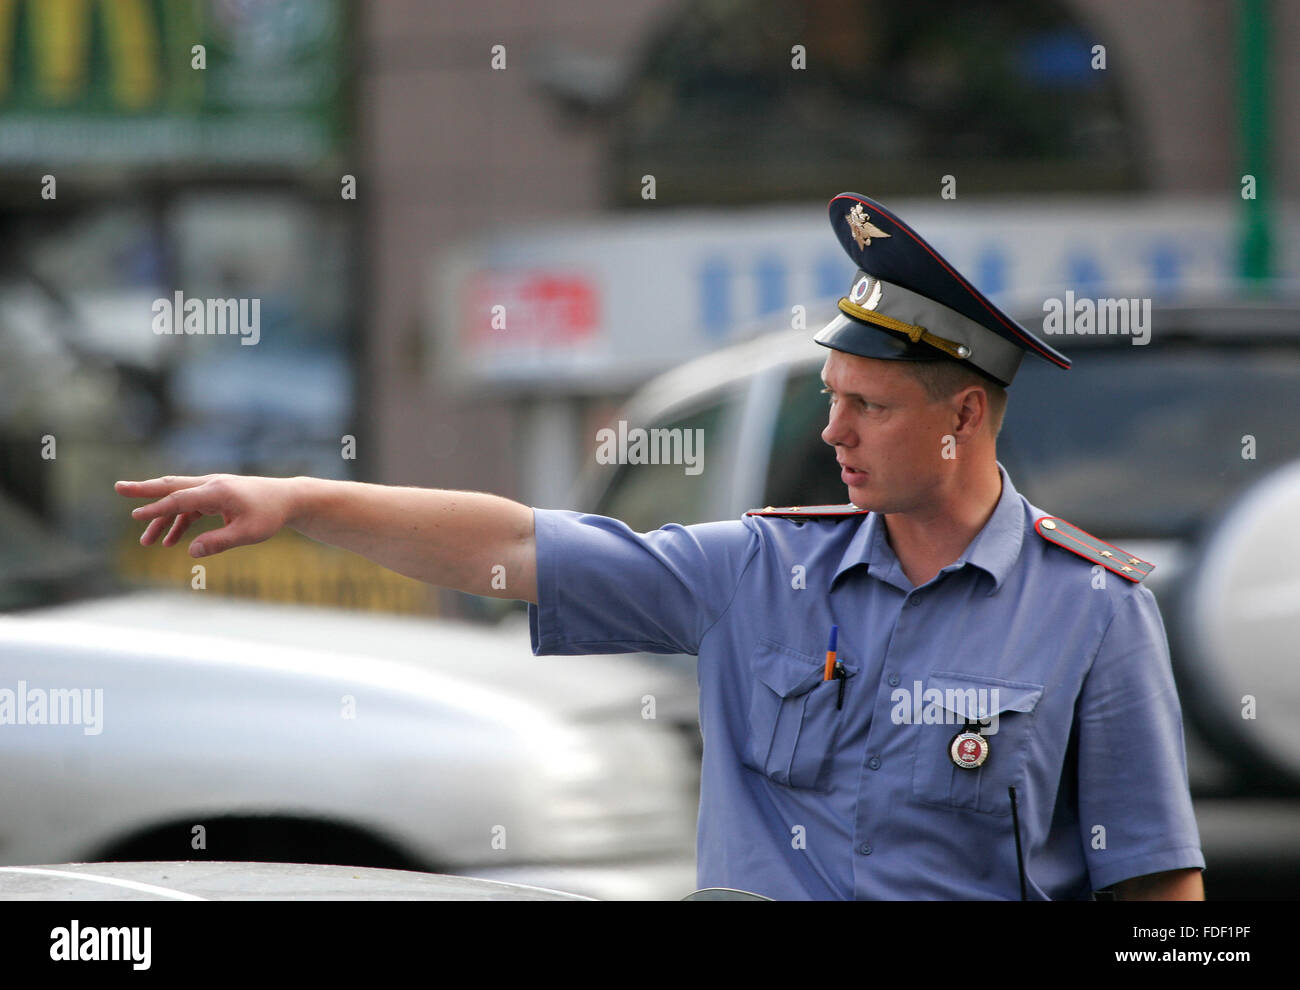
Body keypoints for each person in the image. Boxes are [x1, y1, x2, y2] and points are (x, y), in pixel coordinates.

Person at [117, 193, 1205, 900]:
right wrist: (303, 498)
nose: (830, 433)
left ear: (963, 415)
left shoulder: (1091, 612)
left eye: (865, 405)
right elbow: (513, 543)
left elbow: (1155, 887)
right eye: (830, 398)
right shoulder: (756, 573)